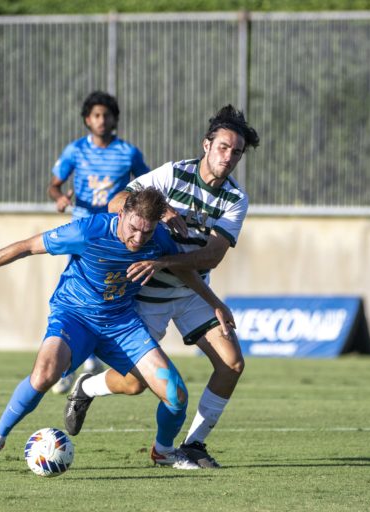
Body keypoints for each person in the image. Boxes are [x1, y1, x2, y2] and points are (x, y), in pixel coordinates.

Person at [0, 187, 235, 472]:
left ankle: (163, 451)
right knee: (43, 376)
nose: (138, 237)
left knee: (175, 394)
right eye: (134, 227)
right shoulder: (87, 230)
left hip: (121, 324)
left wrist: (214, 302)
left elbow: (183, 269)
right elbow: (26, 247)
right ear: (122, 214)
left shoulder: (157, 237)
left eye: (146, 231)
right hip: (74, 317)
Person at [64, 105, 260, 469]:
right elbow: (117, 201)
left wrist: (166, 262)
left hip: (190, 293)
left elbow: (212, 256)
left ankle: (191, 446)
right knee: (135, 383)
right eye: (222, 147)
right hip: (147, 295)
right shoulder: (173, 174)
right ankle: (87, 387)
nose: (228, 157)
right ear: (206, 145)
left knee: (232, 364)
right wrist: (163, 208)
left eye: (236, 152)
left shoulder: (235, 199)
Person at [47, 90, 150, 390]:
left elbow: (145, 186)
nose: (101, 120)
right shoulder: (75, 151)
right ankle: (70, 357)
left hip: (115, 233)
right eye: (96, 115)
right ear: (87, 119)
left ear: (115, 118)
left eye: (106, 115)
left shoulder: (128, 153)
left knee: (110, 290)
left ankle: (91, 355)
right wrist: (60, 198)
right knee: (79, 289)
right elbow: (54, 185)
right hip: (81, 231)